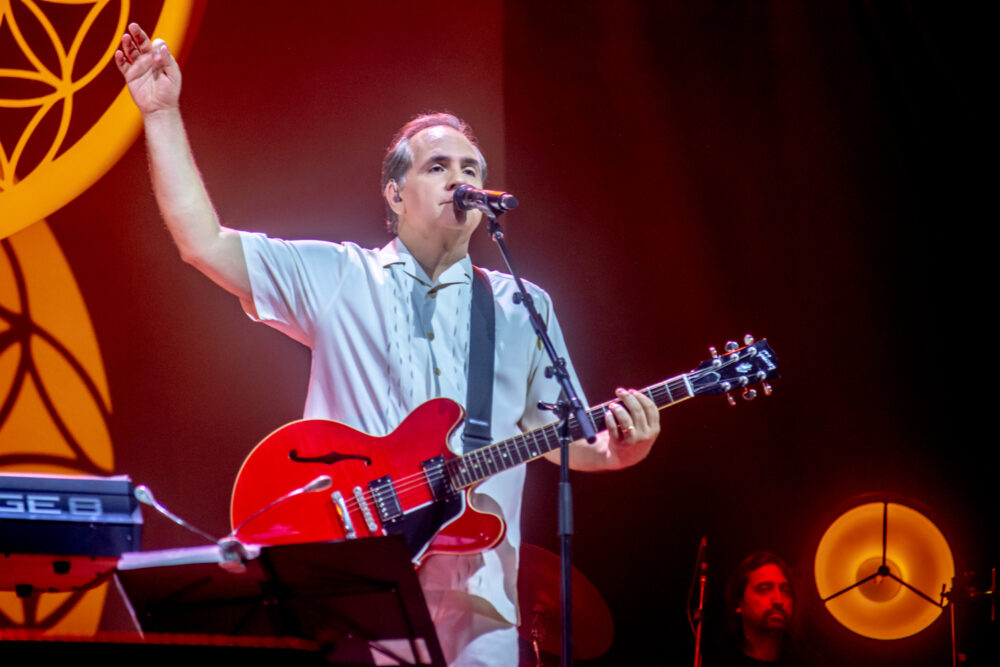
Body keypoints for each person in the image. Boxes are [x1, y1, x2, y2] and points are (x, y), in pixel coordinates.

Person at [115, 23, 660, 666]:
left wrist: (622, 449)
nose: (461, 178)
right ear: (395, 194)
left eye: (471, 169)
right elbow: (201, 243)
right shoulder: (340, 276)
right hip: (358, 580)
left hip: (480, 600)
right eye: (439, 167)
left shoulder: (522, 304)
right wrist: (161, 113)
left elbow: (562, 435)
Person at [716, 551, 798, 666]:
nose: (779, 601)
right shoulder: (717, 661)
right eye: (764, 589)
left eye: (785, 591)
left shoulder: (810, 661)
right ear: (738, 603)